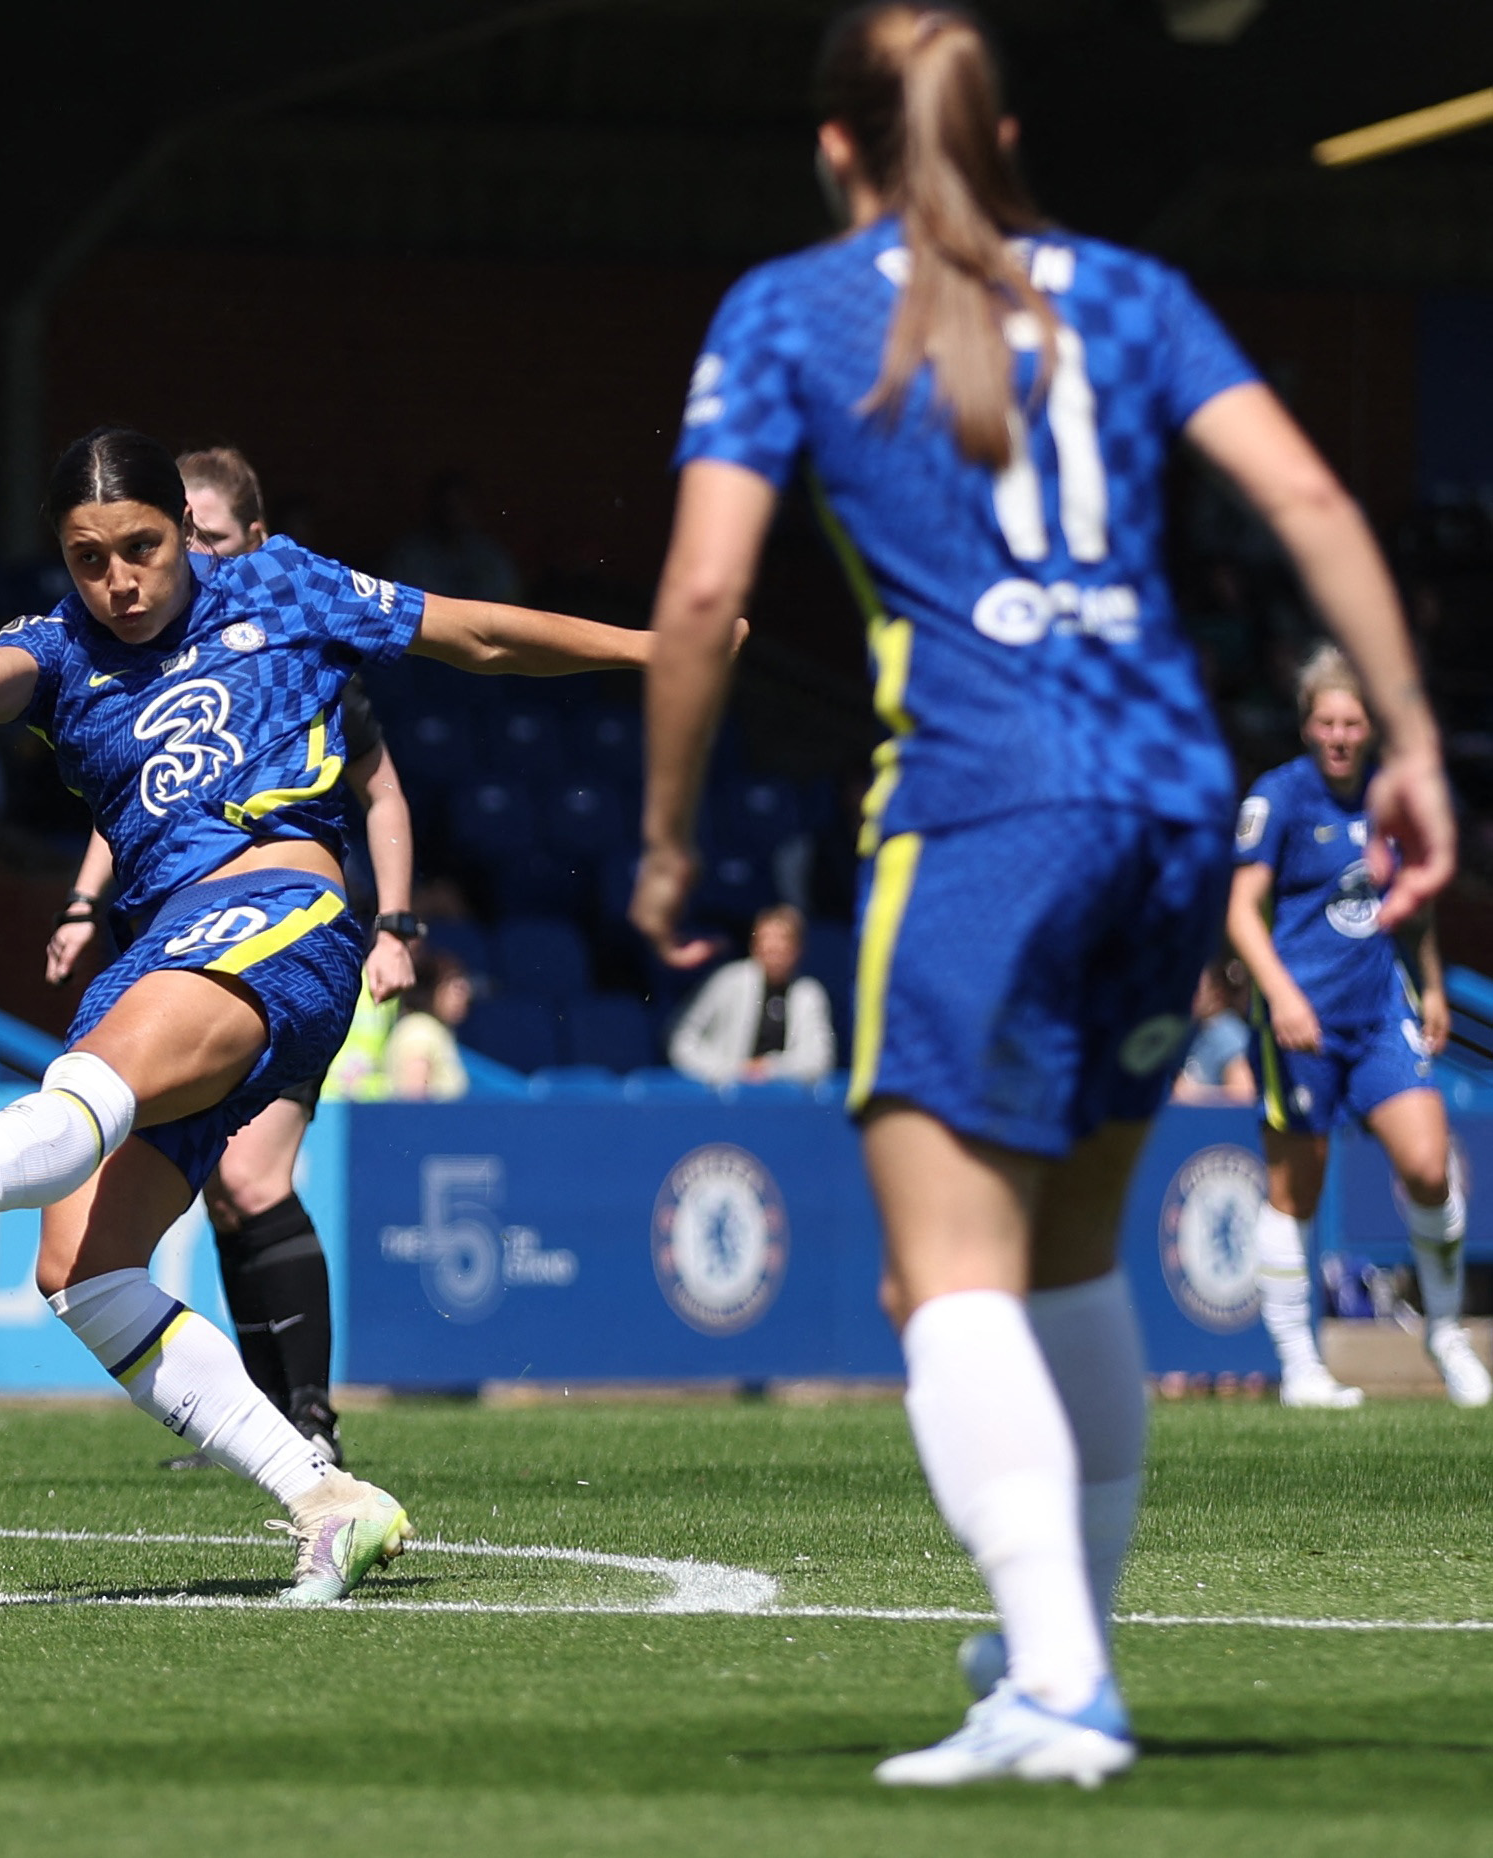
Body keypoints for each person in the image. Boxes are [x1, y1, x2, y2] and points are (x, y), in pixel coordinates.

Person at [628, 4, 1454, 1788]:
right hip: (1170, 799)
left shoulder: (788, 308)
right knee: (1069, 1256)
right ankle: (1048, 1648)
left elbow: (696, 601)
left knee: (941, 1277)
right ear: (1002, 141)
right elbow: (1307, 493)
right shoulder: (1133, 292)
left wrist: (666, 834)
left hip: (980, 808)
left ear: (834, 149)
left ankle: (1063, 1684)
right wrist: (1409, 740)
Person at [0, 425, 656, 1603]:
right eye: (89, 558)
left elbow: (480, 633)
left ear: (183, 533)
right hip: (168, 948)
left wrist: (658, 650)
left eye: (142, 547)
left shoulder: (280, 585)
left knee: (95, 1085)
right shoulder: (59, 647)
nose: (118, 580)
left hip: (283, 920)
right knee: (82, 1270)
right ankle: (327, 1498)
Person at [39, 445, 424, 1467]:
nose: (143, 573)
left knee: (252, 1178)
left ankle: (312, 1423)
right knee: (219, 1192)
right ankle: (260, 1424)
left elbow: (383, 794)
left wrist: (396, 924)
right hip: (177, 938)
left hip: (282, 944)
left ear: (250, 540)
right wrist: (82, 902)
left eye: (200, 537)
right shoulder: (138, 670)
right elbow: (131, 803)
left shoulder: (301, 649)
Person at [1225, 648, 1484, 1408]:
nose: (1338, 736)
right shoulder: (1278, 799)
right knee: (1293, 1191)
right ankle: (1298, 1366)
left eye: (1351, 723)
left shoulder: (1390, 798)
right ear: (1307, 725)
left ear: (1370, 726)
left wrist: (1429, 984)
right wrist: (1282, 997)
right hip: (1299, 1024)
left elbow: (1415, 901)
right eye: (1326, 722)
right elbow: (1239, 911)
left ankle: (1444, 1332)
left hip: (1378, 1015)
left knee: (1429, 1166)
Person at [665, 903, 837, 1085]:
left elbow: (820, 1059)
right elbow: (680, 1039)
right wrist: (724, 1071)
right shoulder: (728, 981)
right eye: (766, 940)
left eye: (783, 941)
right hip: (725, 1095)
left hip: (783, 1097)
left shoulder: (809, 993)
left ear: (798, 949)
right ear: (754, 946)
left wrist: (769, 1068)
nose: (774, 948)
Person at [381, 955, 475, 1102]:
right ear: (431, 989)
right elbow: (414, 1098)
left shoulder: (433, 1030)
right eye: (455, 987)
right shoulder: (419, 1030)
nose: (463, 997)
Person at [1165, 960, 1254, 1108]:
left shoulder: (1228, 1033)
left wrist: (1190, 1094)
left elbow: (1243, 1093)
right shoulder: (1185, 1031)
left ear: (1217, 993)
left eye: (1195, 989)